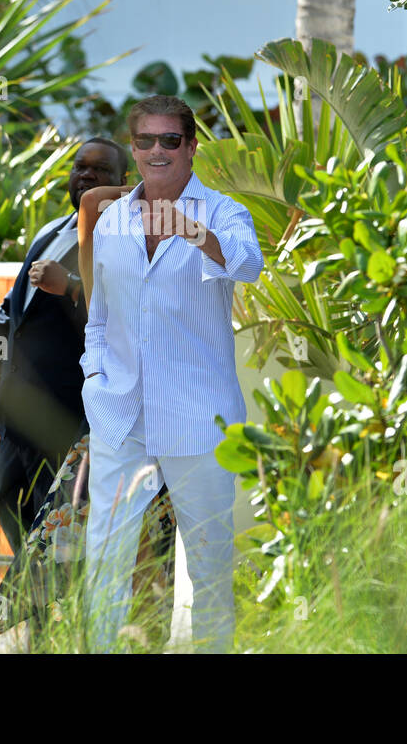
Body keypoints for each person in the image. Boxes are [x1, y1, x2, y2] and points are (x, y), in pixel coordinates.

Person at [0, 138, 177, 651]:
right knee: (13, 512)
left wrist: (72, 287)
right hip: (15, 416)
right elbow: (10, 309)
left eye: (99, 170)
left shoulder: (130, 239)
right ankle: (45, 626)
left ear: (123, 179)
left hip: (70, 420)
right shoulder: (49, 231)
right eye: (79, 169)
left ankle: (53, 633)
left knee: (59, 539)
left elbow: (130, 317)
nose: (86, 178)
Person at [80, 95, 264, 653]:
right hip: (122, 413)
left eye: (170, 140)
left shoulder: (223, 212)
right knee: (103, 561)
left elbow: (248, 262)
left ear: (190, 147)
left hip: (198, 418)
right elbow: (101, 315)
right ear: (133, 149)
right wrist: (95, 378)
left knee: (208, 565)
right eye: (145, 140)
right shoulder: (111, 220)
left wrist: (192, 231)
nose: (157, 151)